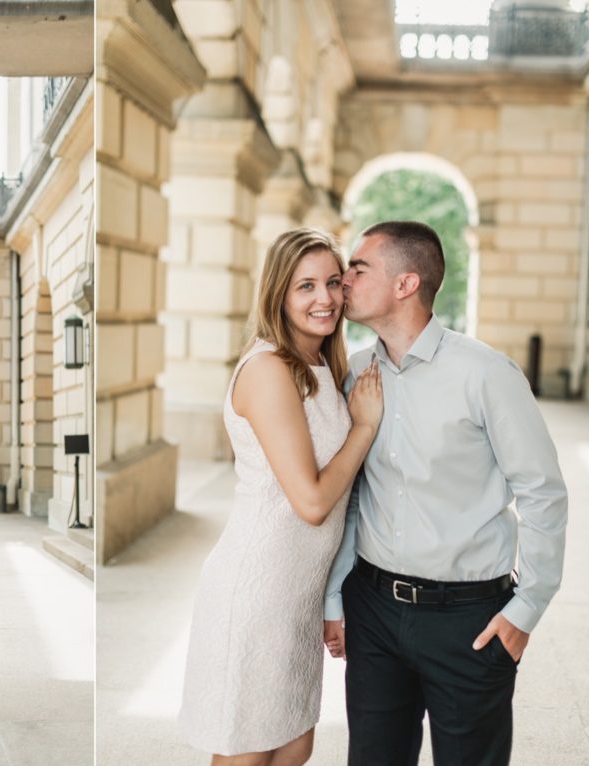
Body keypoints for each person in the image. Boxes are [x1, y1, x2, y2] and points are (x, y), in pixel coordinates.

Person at [322, 220, 568, 766]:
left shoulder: (486, 374)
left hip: (470, 620)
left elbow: (543, 493)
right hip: (374, 614)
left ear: (406, 284)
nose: (344, 278)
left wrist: (527, 608)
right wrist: (336, 596)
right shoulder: (355, 374)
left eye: (359, 269)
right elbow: (353, 497)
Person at [178, 228, 384, 766]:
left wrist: (331, 597)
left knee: (294, 746)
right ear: (278, 294)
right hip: (258, 588)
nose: (325, 299)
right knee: (251, 750)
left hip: (298, 593)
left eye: (333, 283)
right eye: (305, 286)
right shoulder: (268, 369)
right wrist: (363, 429)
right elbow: (313, 502)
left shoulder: (322, 368)